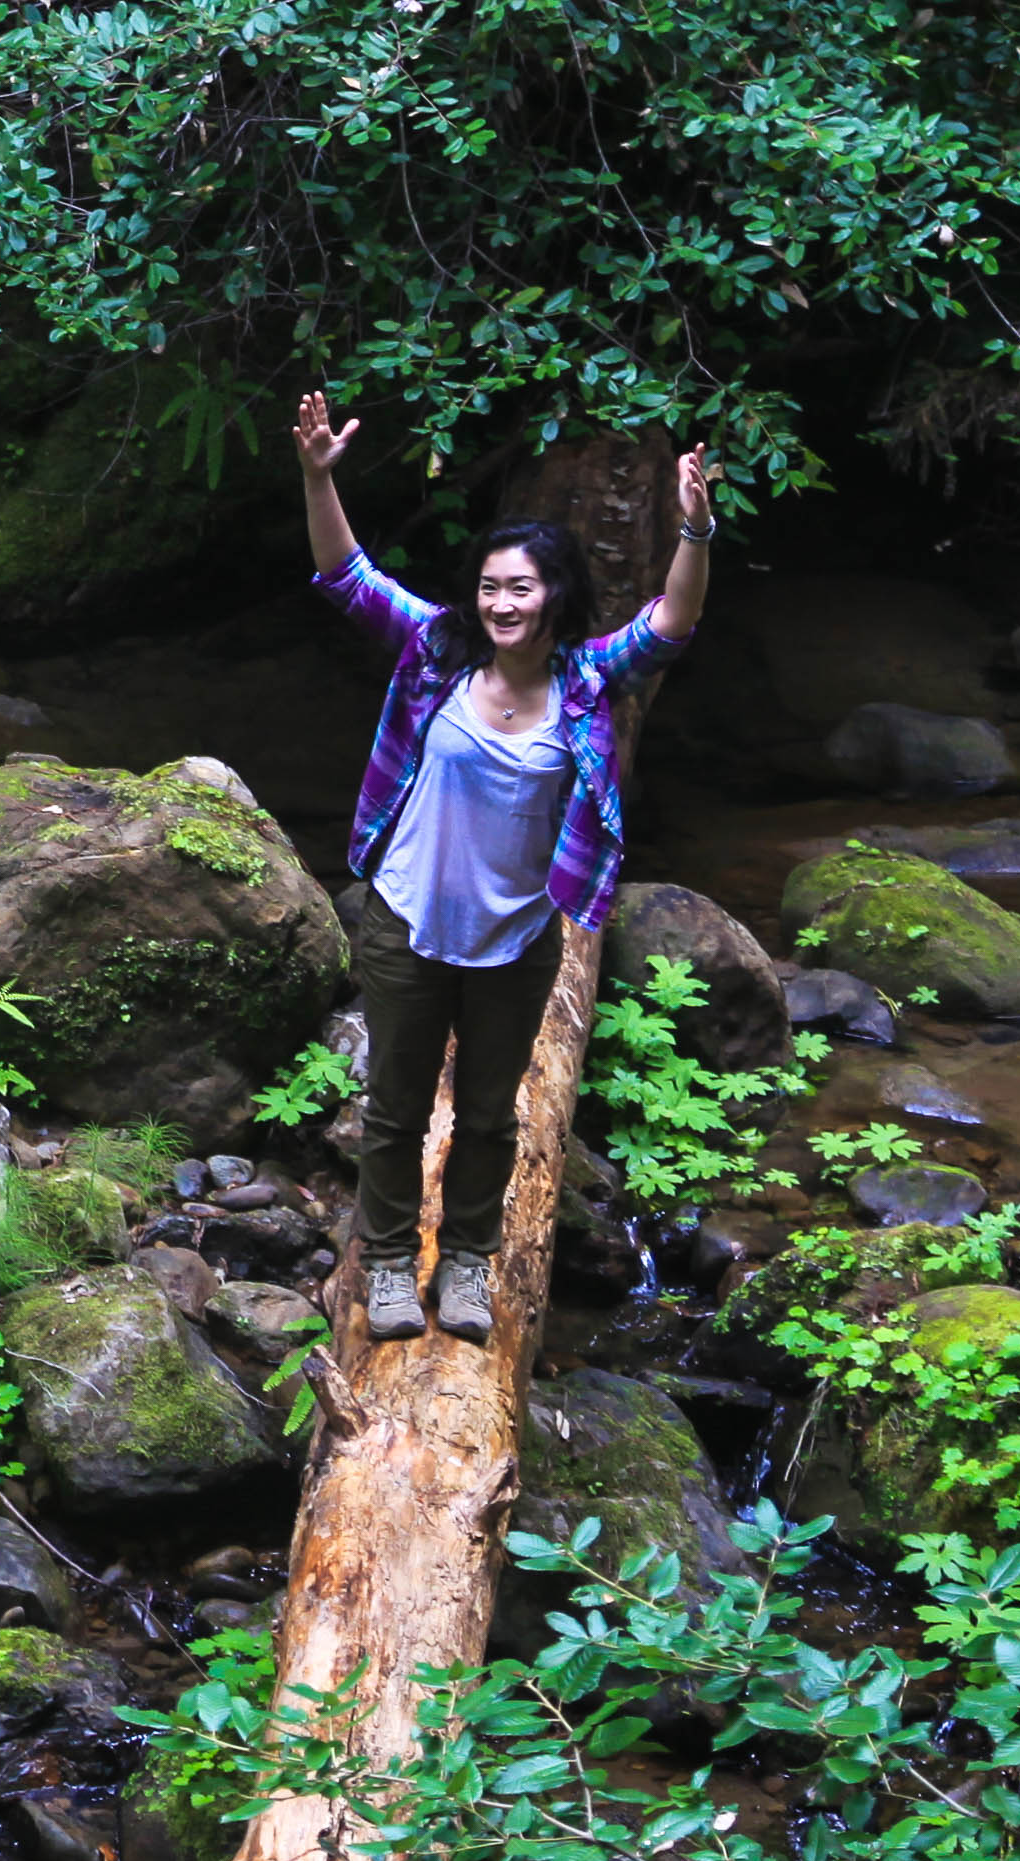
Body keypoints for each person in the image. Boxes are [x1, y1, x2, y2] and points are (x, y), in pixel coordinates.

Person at [292, 391, 714, 1342]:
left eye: (519, 588)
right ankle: (388, 1263)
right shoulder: (437, 651)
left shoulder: (588, 682)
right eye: (489, 588)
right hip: (406, 920)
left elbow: (672, 623)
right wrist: (318, 477)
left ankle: (469, 1264)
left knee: (489, 1116)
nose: (500, 605)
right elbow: (346, 576)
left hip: (518, 937)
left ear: (554, 594)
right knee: (396, 1112)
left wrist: (693, 529)